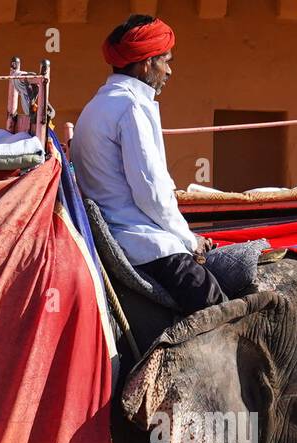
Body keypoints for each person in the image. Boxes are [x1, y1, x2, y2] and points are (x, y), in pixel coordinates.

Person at [69, 15, 226, 315]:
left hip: (120, 237)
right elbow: (151, 193)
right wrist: (189, 240)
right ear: (144, 63)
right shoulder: (130, 108)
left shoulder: (97, 106)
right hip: (143, 242)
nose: (169, 70)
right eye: (164, 61)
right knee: (215, 305)